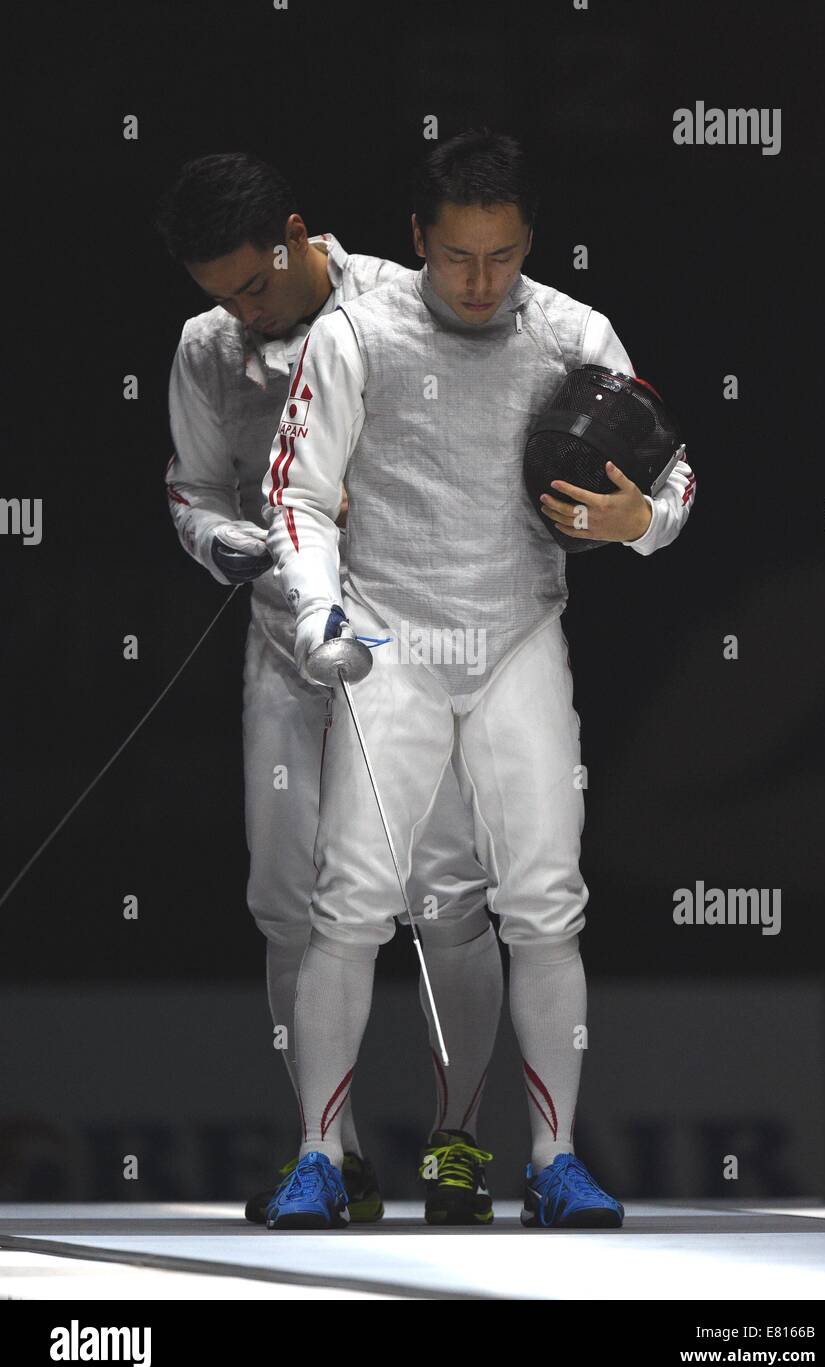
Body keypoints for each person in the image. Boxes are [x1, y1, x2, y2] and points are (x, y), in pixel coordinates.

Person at [262, 130, 696, 1230]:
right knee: (350, 903)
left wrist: (640, 520)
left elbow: (674, 472)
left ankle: (552, 1158)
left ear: (528, 242)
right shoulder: (356, 333)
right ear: (418, 238)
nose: (478, 281)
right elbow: (299, 495)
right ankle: (318, 1156)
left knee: (544, 903)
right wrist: (317, 608)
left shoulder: (572, 332)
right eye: (457, 256)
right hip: (390, 643)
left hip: (515, 640)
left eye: (501, 256)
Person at [157, 153, 504, 1226]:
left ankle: (456, 1143)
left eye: (254, 284)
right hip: (288, 649)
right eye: (221, 295)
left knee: (445, 898)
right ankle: (332, 1155)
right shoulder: (206, 349)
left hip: (416, 645)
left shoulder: (409, 309)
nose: (243, 310)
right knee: (287, 907)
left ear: (297, 234)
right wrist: (221, 541)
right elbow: (193, 487)